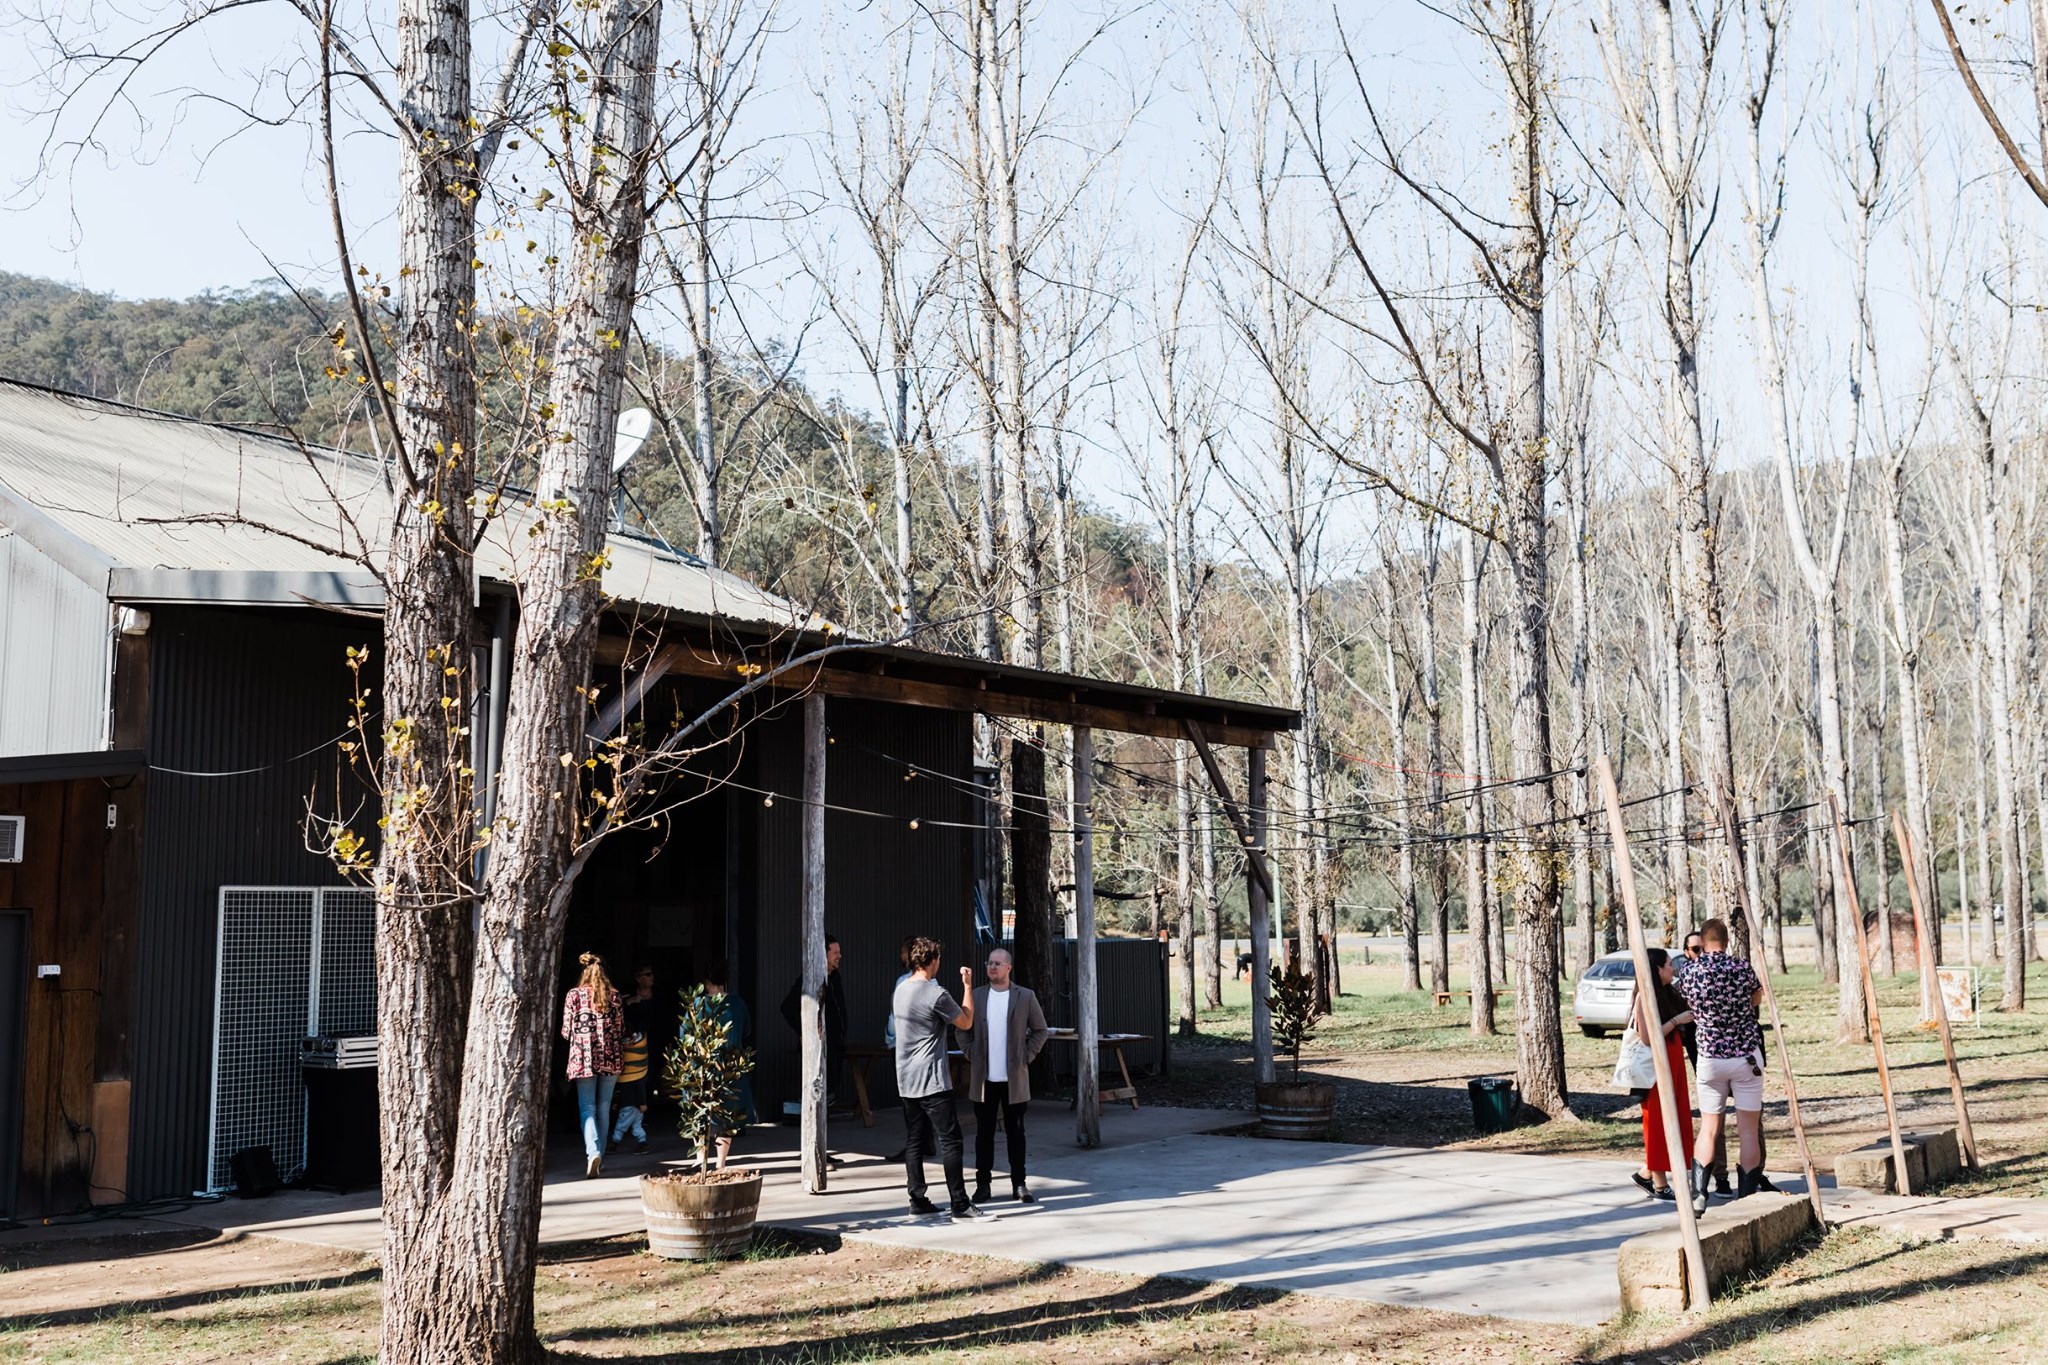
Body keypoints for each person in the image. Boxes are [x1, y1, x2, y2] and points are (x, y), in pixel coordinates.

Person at [1675, 917, 1777, 1213]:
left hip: (1709, 1057)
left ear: (1703, 943)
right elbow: (1757, 997)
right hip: (1745, 1056)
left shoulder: (1691, 971)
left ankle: (1698, 1194)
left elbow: (1687, 1001)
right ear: (1727, 941)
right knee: (1747, 1130)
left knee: (1709, 1128)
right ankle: (1744, 1197)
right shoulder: (1742, 967)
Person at [892, 936, 989, 1221]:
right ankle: (960, 1204)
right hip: (932, 1079)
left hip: (905, 1078)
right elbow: (966, 1021)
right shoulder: (936, 994)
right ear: (932, 960)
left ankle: (917, 1199)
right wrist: (968, 986)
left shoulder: (900, 990)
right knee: (951, 1141)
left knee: (914, 1140)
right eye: (938, 959)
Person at [965, 947, 1050, 1204]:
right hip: (984, 1080)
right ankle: (983, 1185)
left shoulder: (1024, 996)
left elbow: (1041, 1030)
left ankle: (1019, 1184)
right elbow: (961, 1028)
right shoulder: (977, 996)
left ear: (1008, 968)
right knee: (984, 1135)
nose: (992, 967)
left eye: (997, 963)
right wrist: (971, 1052)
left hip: (1014, 1080)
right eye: (989, 963)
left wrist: (1027, 1056)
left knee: (1016, 1134)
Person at [1628, 948, 1694, 1202]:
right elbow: (1647, 1037)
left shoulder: (1666, 993)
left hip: (1672, 1064)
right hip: (1655, 1070)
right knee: (1657, 1122)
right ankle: (1658, 1183)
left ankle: (1647, 1173)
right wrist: (1677, 1021)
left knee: (1674, 1120)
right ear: (1656, 969)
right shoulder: (1645, 997)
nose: (1672, 968)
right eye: (1668, 964)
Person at [1672, 930, 1730, 1195]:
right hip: (1698, 1056)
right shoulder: (1681, 984)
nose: (1699, 954)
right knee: (1710, 1122)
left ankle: (1725, 1177)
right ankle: (1711, 1179)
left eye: (1701, 949)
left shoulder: (1725, 974)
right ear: (1687, 953)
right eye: (1694, 951)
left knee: (1723, 1121)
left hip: (1728, 1053)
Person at [562, 952, 625, 1178]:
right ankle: (602, 1158)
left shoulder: (573, 996)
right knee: (604, 1108)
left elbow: (565, 1030)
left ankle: (593, 1152)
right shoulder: (615, 997)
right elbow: (619, 1029)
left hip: (583, 1057)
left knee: (586, 1108)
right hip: (610, 1057)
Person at [782, 933, 848, 1108]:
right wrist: (804, 1031)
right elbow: (787, 1007)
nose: (839, 956)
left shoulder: (835, 977)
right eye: (835, 952)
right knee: (820, 1086)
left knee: (833, 1086)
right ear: (824, 954)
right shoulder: (810, 978)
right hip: (819, 1044)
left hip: (836, 1043)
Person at [704, 958, 757, 1170]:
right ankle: (721, 1162)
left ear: (707, 981)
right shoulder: (737, 1004)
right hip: (730, 1065)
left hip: (704, 1064)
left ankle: (700, 1158)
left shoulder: (698, 1005)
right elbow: (747, 1031)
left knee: (701, 1113)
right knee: (727, 1115)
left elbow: (685, 1034)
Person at [609, 963, 660, 1154]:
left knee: (648, 1077)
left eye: (652, 973)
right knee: (632, 1077)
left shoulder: (658, 998)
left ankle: (644, 1113)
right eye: (647, 974)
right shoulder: (628, 999)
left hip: (652, 1043)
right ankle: (630, 1114)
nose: (651, 977)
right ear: (638, 978)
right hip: (633, 1047)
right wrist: (630, 1002)